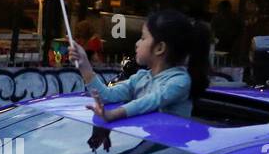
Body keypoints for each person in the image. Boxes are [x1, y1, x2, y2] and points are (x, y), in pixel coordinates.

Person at [68, 8, 211, 121]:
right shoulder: (140, 78)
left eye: (143, 38)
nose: (137, 44)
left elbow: (150, 101)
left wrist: (114, 114)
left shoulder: (179, 81)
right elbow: (107, 96)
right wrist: (85, 66)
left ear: (159, 48)